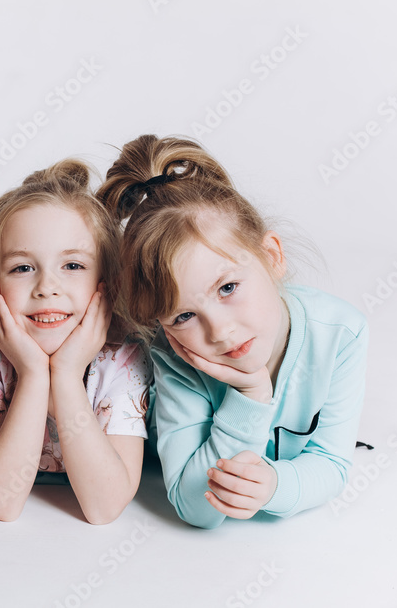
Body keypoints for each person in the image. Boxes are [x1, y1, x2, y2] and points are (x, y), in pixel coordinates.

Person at [98, 135, 368, 528]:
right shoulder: (175, 356)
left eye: (228, 288)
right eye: (184, 316)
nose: (221, 332)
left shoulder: (341, 334)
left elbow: (330, 463)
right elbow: (196, 508)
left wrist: (277, 485)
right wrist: (251, 396)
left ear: (272, 257)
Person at [0, 159, 150, 524]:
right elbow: (2, 503)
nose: (47, 287)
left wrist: (65, 373)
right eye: (22, 268)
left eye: (73, 266)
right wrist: (32, 374)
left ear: (109, 283)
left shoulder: (123, 354)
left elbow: (104, 508)